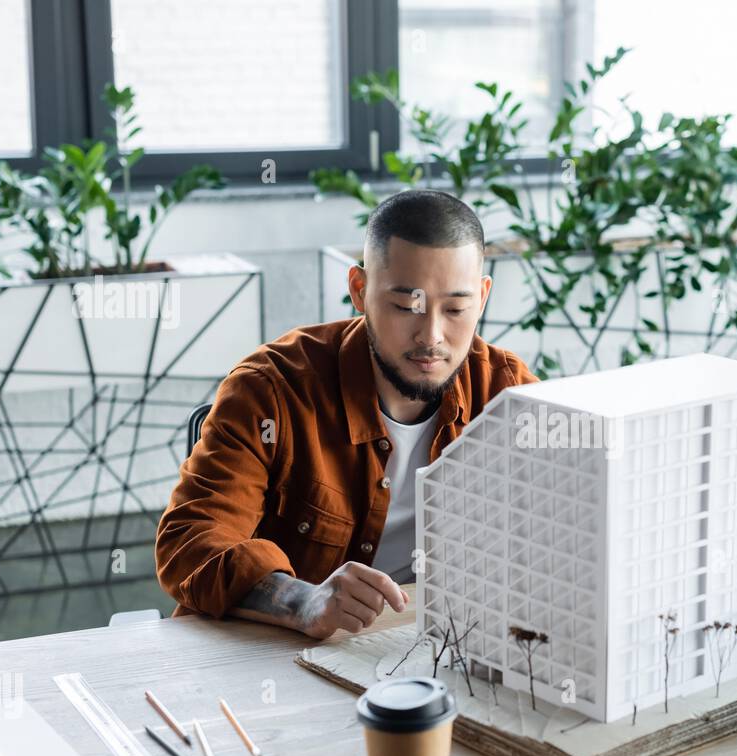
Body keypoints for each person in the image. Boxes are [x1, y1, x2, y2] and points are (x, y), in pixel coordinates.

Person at [155, 189, 537, 639]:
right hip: (270, 655)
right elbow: (190, 542)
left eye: (456, 309)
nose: (431, 336)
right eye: (404, 306)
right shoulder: (270, 390)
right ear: (359, 289)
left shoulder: (504, 390)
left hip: (432, 648)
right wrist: (304, 600)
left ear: (483, 297)